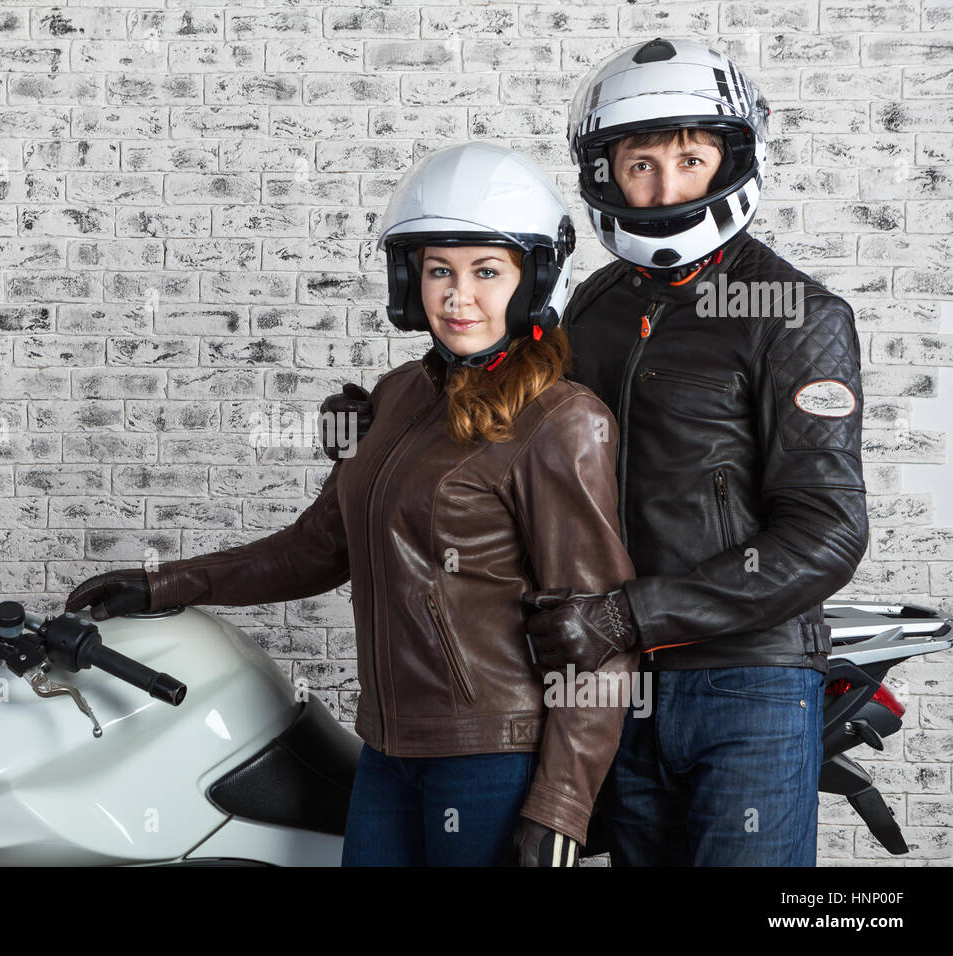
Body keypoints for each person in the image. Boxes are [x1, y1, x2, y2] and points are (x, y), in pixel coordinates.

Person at [66, 142, 638, 866]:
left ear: (533, 281)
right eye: (439, 271)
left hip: (494, 756)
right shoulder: (398, 395)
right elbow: (314, 550)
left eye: (487, 272)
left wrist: (562, 803)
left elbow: (600, 634)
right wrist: (163, 584)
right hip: (388, 750)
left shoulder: (562, 421)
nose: (459, 296)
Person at [517, 37, 869, 866]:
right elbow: (518, 435)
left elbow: (826, 532)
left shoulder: (796, 314)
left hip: (749, 679)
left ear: (731, 160)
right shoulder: (594, 304)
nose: (668, 188)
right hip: (616, 684)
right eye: (641, 163)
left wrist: (626, 614)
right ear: (607, 172)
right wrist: (401, 414)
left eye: (692, 158)